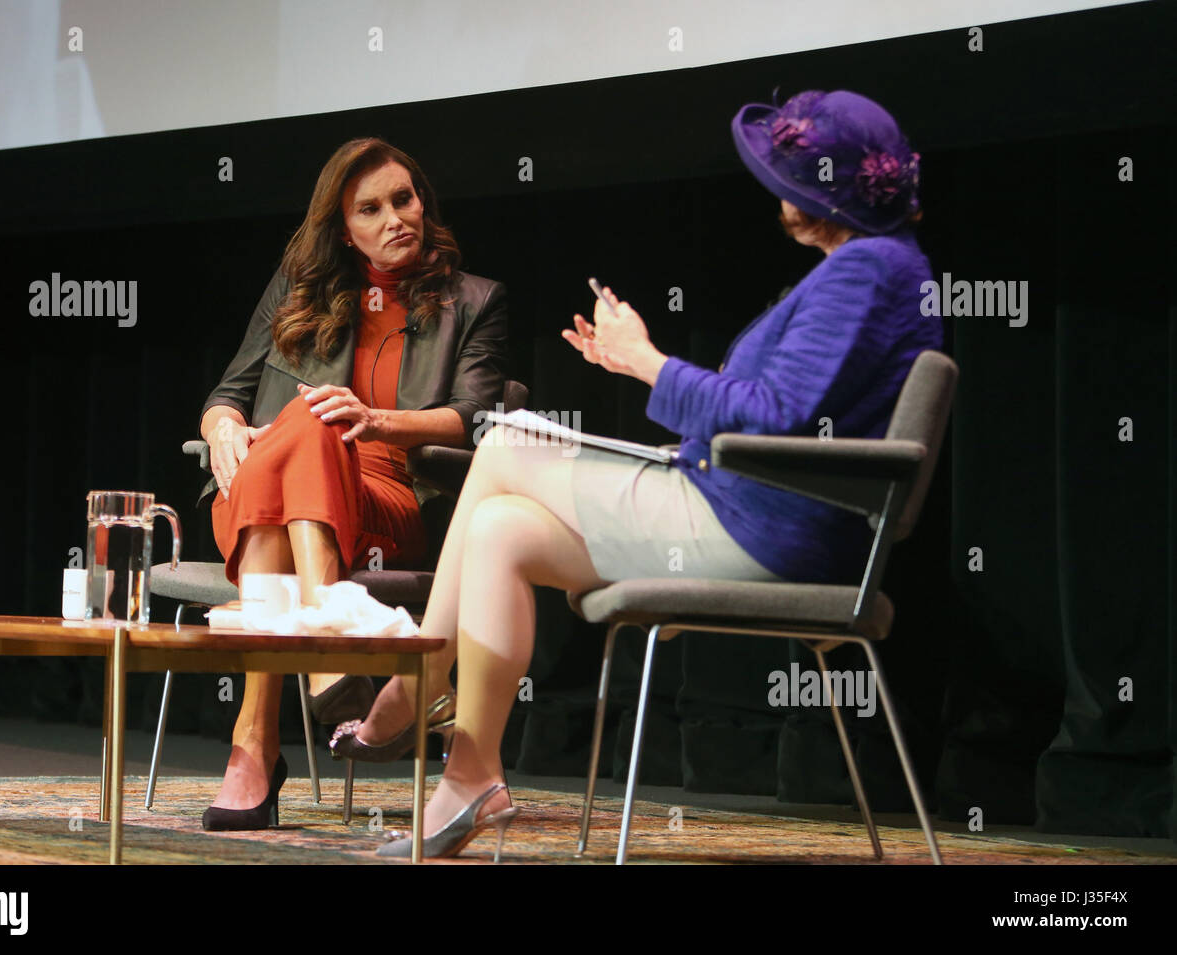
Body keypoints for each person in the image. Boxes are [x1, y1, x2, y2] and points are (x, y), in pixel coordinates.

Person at [332, 89, 943, 860]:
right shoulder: (873, 269)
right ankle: (469, 771)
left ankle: (417, 683)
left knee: (509, 440)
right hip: (748, 510)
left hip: (763, 529)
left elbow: (774, 416)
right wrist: (640, 364)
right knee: (498, 528)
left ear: (831, 184)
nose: (777, 188)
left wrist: (643, 362)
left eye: (790, 172)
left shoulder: (867, 272)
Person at [196, 137, 507, 830]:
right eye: (371, 208)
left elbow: (474, 417)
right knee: (303, 427)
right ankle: (330, 654)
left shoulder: (474, 301)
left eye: (404, 198)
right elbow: (228, 392)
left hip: (389, 500)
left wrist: (377, 420)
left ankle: (254, 744)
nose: (396, 217)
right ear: (344, 228)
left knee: (308, 425)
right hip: (271, 483)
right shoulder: (298, 289)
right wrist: (222, 429)